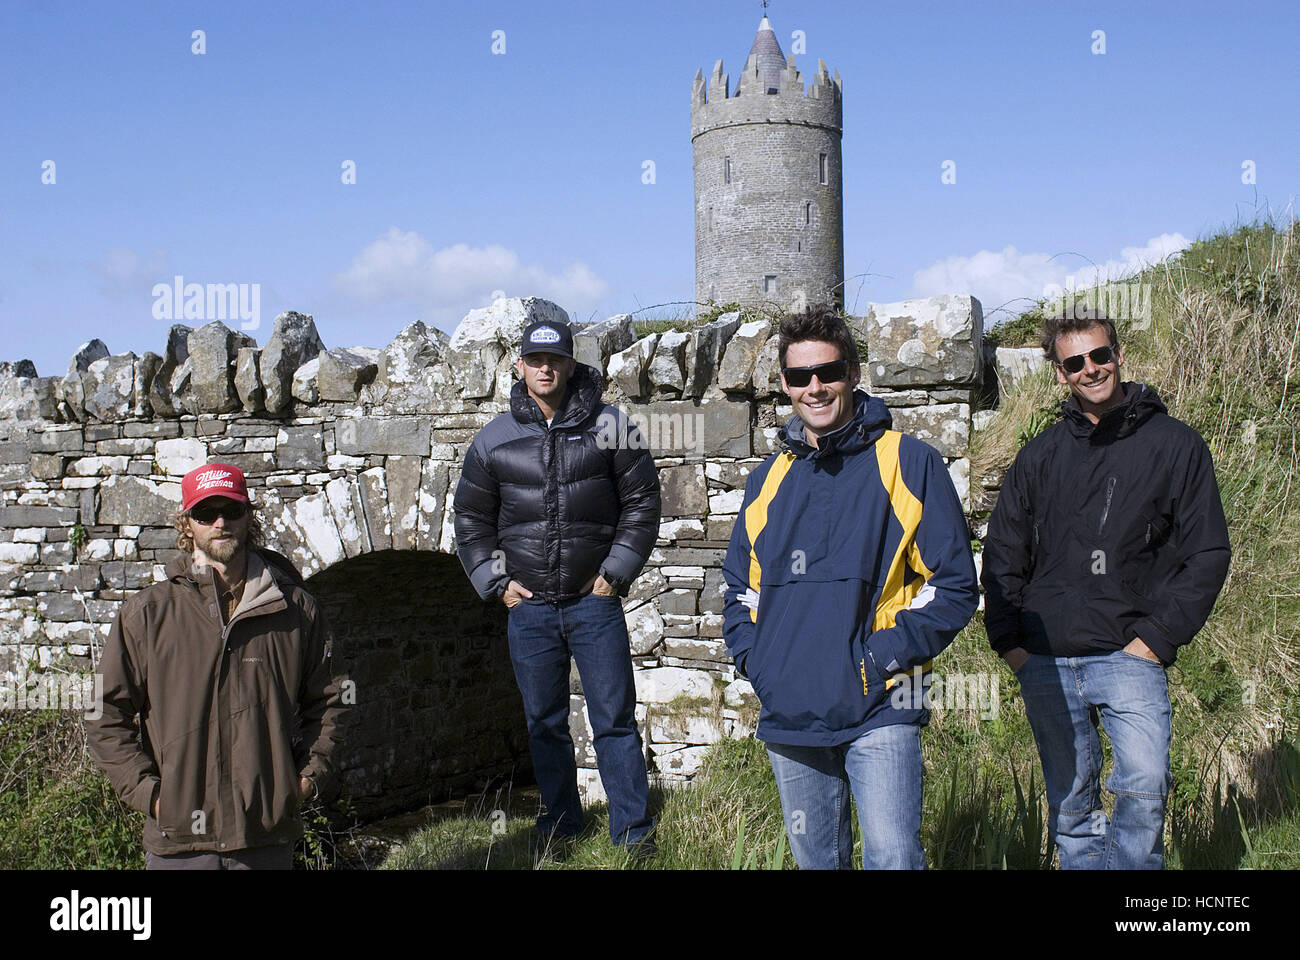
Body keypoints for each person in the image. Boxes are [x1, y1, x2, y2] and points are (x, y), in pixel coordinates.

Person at [722, 304, 978, 869]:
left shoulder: (910, 461)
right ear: (784, 386)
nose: (814, 388)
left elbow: (955, 585)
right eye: (798, 377)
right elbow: (742, 588)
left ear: (853, 374)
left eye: (828, 372)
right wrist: (757, 661)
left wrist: (881, 658)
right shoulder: (768, 479)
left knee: (894, 860)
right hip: (790, 710)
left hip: (881, 704)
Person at [981, 305, 1231, 869]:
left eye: (1099, 355)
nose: (1090, 369)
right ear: (1060, 373)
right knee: (1071, 803)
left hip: (1130, 654)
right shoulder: (1040, 454)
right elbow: (1002, 552)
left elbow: (1208, 551)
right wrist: (1012, 645)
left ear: (1118, 355)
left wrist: (1157, 638)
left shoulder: (1175, 445)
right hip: (1046, 658)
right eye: (1075, 363)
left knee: (1144, 786)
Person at [453, 318, 661, 852]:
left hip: (594, 603)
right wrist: (496, 583)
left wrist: (614, 574)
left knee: (613, 719)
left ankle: (633, 835)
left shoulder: (613, 425)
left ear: (571, 364)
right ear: (519, 366)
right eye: (535, 359)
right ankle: (562, 827)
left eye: (556, 359)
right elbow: (471, 523)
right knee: (544, 723)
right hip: (529, 608)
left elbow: (642, 505)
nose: (546, 368)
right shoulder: (494, 438)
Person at [86, 463, 346, 870]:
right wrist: (151, 796)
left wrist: (306, 779)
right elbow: (103, 712)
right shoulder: (147, 615)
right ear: (187, 523)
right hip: (179, 843)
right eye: (206, 513)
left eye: (232, 509)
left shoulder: (296, 611)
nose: (220, 522)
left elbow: (335, 699)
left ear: (249, 516)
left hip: (263, 838)